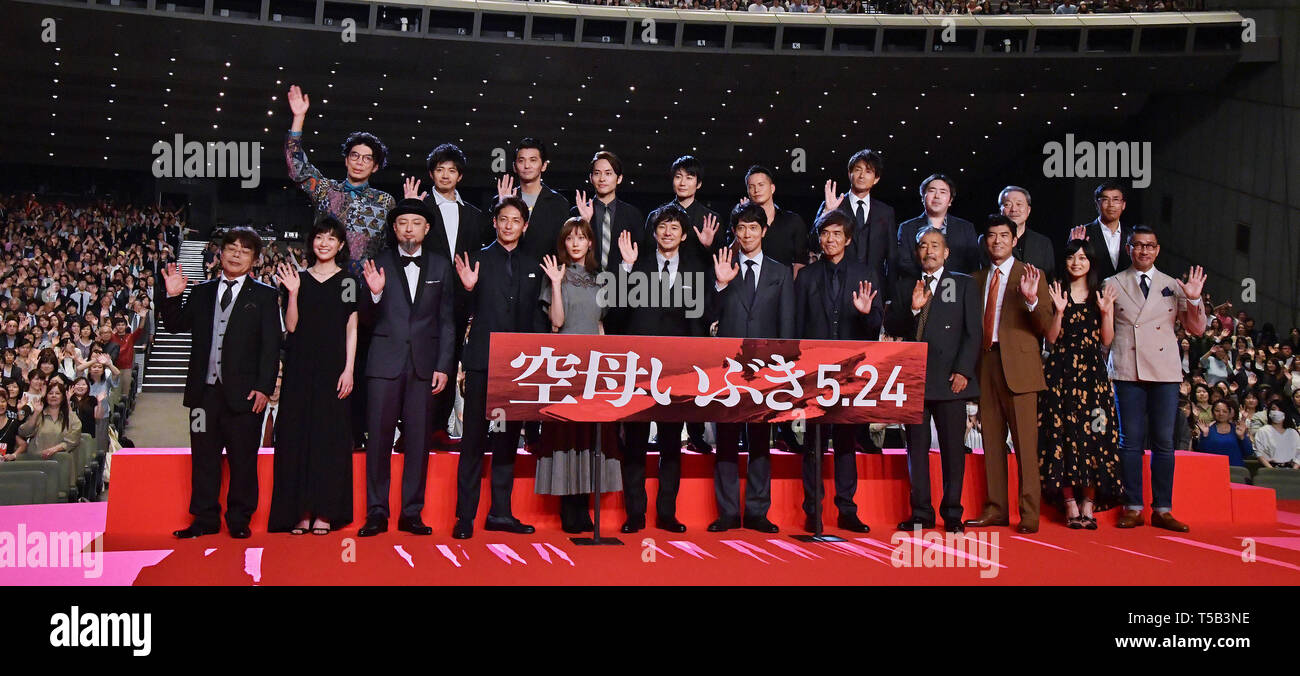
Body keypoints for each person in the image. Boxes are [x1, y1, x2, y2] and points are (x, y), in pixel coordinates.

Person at [158, 227, 282, 539]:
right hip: (204, 395)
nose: (237, 255)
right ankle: (204, 519)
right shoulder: (200, 292)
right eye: (232, 249)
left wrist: (265, 388)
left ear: (254, 259)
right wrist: (172, 296)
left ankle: (239, 520)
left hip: (245, 395)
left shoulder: (266, 296)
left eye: (245, 251)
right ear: (220, 253)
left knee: (243, 461)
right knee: (203, 459)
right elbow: (173, 325)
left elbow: (271, 346)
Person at [355, 200, 455, 537]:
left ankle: (412, 512)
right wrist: (375, 295)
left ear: (427, 229)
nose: (409, 228)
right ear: (394, 228)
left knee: (417, 441)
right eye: (403, 223)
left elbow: (447, 321)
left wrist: (444, 365)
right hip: (384, 362)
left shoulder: (442, 266)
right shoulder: (377, 263)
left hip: (425, 366)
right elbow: (364, 320)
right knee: (379, 441)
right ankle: (376, 511)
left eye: (416, 223)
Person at [453, 195, 548, 539]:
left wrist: (537, 363)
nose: (509, 225)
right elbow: (458, 312)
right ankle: (464, 517)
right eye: (503, 219)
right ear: (494, 222)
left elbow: (539, 317)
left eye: (516, 220)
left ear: (525, 226)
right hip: (481, 361)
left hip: (518, 366)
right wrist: (466, 289)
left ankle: (501, 514)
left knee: (507, 440)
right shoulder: (476, 260)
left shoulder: (535, 263)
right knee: (474, 440)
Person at [617, 205, 711, 534]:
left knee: (671, 443)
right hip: (639, 370)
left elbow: (702, 321)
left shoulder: (697, 268)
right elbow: (618, 310)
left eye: (674, 227)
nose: (667, 232)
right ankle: (635, 515)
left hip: (678, 372)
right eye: (662, 226)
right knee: (635, 444)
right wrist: (626, 269)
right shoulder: (636, 263)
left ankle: (667, 514)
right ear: (653, 231)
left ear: (684, 235)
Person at [1107, 225, 1207, 532]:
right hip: (1127, 367)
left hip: (1164, 370)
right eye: (1138, 245)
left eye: (1149, 246)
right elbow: (1105, 332)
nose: (1144, 251)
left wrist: (1192, 300)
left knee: (1164, 441)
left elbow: (1196, 329)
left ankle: (1163, 508)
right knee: (1129, 441)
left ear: (1157, 250)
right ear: (1128, 249)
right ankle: (1133, 506)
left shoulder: (1173, 284)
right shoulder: (1112, 283)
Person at [706, 202, 796, 533]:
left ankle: (758, 511)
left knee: (761, 440)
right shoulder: (722, 267)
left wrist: (784, 369)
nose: (747, 234)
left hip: (766, 369)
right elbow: (706, 316)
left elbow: (787, 325)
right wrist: (719, 285)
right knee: (726, 439)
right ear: (734, 232)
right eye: (741, 228)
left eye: (753, 228)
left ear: (764, 231)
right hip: (727, 369)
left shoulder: (780, 272)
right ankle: (727, 512)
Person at [885, 225, 981, 533]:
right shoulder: (904, 286)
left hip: (952, 380)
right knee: (916, 449)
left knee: (954, 450)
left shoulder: (962, 284)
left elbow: (973, 332)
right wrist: (913, 309)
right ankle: (921, 513)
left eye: (935, 245)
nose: (929, 250)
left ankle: (953, 513)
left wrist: (964, 371)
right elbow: (893, 327)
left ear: (946, 252)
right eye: (923, 245)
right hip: (914, 380)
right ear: (917, 252)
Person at [268, 215, 359, 535]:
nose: (324, 242)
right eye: (319, 236)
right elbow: (291, 327)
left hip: (334, 370)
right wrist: (292, 293)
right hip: (300, 370)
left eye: (331, 238)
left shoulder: (348, 281)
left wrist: (349, 369)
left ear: (341, 245)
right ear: (312, 241)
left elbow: (351, 327)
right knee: (297, 439)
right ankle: (300, 511)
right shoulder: (298, 279)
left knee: (329, 441)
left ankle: (325, 512)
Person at [796, 210, 882, 533]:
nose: (829, 239)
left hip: (851, 372)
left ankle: (847, 509)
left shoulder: (865, 272)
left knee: (846, 441)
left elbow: (875, 327)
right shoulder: (806, 276)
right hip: (813, 371)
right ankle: (812, 510)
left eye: (836, 234)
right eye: (825, 234)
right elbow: (797, 326)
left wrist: (864, 314)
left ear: (847, 238)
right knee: (814, 444)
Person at [965, 215, 1052, 534]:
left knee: (1026, 445)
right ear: (985, 242)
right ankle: (996, 508)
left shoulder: (1031, 274)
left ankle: (1029, 513)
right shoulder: (975, 280)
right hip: (986, 364)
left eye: (1004, 235)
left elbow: (1046, 326)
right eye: (991, 236)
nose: (997, 241)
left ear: (1015, 240)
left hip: (1021, 368)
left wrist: (1031, 300)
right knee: (990, 442)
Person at [535, 217, 621, 534]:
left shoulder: (601, 279)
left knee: (589, 436)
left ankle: (584, 507)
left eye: (581, 237)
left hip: (593, 367)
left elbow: (600, 326)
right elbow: (556, 322)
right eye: (569, 237)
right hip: (562, 368)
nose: (575, 242)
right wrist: (556, 285)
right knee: (565, 435)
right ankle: (567, 508)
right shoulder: (555, 275)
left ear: (590, 243)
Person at [404, 143, 491, 450]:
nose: (445, 175)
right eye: (439, 169)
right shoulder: (420, 209)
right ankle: (413, 428)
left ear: (460, 175)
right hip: (424, 295)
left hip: (459, 299)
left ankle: (439, 427)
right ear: (432, 173)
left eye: (451, 170)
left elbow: (480, 258)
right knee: (417, 359)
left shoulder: (475, 215)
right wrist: (411, 209)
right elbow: (405, 244)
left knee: (449, 360)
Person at [1038, 240, 1126, 528]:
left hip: (1093, 378)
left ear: (1091, 262)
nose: (1077, 262)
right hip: (1060, 375)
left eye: (1082, 257)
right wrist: (1060, 311)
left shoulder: (1101, 294)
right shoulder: (1056, 292)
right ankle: (1069, 503)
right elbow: (1050, 339)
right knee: (1061, 436)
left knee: (1094, 437)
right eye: (1072, 257)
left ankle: (1089, 502)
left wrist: (1105, 311)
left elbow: (1107, 340)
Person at [646, 155, 722, 455]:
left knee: (694, 372)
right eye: (678, 176)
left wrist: (708, 245)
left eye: (689, 177)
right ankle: (662, 431)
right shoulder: (658, 215)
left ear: (698, 183)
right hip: (660, 303)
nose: (683, 182)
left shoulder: (709, 217)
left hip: (696, 304)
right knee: (662, 371)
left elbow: (721, 262)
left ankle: (696, 431)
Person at [284, 84, 395, 274]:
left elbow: (391, 245)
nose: (360, 162)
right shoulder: (326, 189)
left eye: (367, 158)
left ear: (375, 166)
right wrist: (298, 118)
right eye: (355, 156)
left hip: (365, 283)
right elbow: (297, 169)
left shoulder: (385, 201)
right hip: (323, 277)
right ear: (346, 160)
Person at [814, 149, 895, 286]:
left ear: (876, 179)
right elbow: (813, 244)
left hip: (874, 287)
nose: (862, 175)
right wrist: (828, 212)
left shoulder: (886, 212)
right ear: (849, 174)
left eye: (868, 171)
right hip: (837, 283)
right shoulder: (834, 204)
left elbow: (892, 256)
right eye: (858, 170)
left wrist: (890, 297)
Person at [893, 173, 980, 287]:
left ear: (950, 200)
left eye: (943, 192)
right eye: (932, 191)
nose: (937, 196)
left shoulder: (966, 228)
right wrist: (930, 279)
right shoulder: (907, 228)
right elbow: (904, 263)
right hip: (919, 287)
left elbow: (972, 266)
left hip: (955, 290)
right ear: (923, 197)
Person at [1068, 181, 1133, 280]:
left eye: (1116, 200)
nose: (1111, 205)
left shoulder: (1132, 234)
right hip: (1092, 293)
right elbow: (1069, 268)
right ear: (1097, 204)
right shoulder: (1082, 233)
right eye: (1105, 200)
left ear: (1123, 205)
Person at [988, 186, 1055, 280]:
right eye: (1007, 204)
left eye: (1019, 204)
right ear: (1000, 211)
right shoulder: (987, 240)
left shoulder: (1043, 243)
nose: (1014, 209)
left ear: (1028, 210)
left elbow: (1049, 280)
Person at [15, 380, 81, 460]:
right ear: (46, 397)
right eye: (50, 393)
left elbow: (73, 439)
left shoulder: (71, 417)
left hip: (61, 462)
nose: (53, 396)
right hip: (36, 461)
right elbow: (23, 432)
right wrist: (36, 414)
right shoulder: (38, 414)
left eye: (57, 393)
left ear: (63, 397)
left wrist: (54, 449)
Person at [1195, 400, 1252, 467]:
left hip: (1236, 471)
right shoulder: (1207, 430)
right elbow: (1202, 453)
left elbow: (1248, 452)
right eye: (1217, 411)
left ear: (1229, 413)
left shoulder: (1237, 429)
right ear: (1212, 413)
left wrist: (1242, 437)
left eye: (1224, 411)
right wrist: (1205, 435)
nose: (1221, 414)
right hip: (1214, 469)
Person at [1254, 402, 1300, 469]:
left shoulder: (1292, 432)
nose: (1277, 412)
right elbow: (1259, 454)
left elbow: (1298, 454)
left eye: (1280, 410)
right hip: (1270, 469)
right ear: (1269, 413)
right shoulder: (1262, 431)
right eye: (1274, 409)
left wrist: (1294, 469)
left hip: (1291, 469)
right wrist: (1272, 470)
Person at [0, 389, 29, 460]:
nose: (1, 404)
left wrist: (13, 455)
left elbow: (23, 445)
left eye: (3, 401)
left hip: (7, 465)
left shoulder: (13, 423)